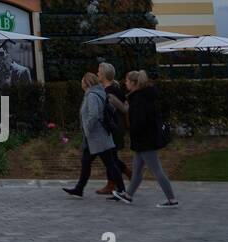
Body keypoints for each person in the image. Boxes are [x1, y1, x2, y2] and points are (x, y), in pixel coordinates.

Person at [63, 72, 127, 200]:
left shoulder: (92, 96)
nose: (81, 83)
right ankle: (79, 188)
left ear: (87, 83)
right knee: (88, 162)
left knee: (110, 163)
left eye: (82, 81)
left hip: (96, 136)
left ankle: (122, 190)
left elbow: (94, 115)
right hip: (96, 137)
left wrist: (87, 129)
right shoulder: (98, 93)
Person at [122, 70, 179, 207]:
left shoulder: (139, 99)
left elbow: (139, 121)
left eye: (127, 81)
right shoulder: (144, 96)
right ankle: (128, 195)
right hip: (145, 139)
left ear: (134, 83)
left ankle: (172, 199)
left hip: (145, 140)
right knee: (137, 170)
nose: (125, 83)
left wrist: (133, 133)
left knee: (156, 170)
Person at [95, 62, 132, 194]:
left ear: (104, 74)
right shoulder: (116, 89)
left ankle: (115, 182)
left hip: (112, 128)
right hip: (118, 127)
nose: (97, 73)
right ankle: (115, 181)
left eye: (99, 71)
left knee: (110, 155)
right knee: (111, 155)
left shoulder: (108, 92)